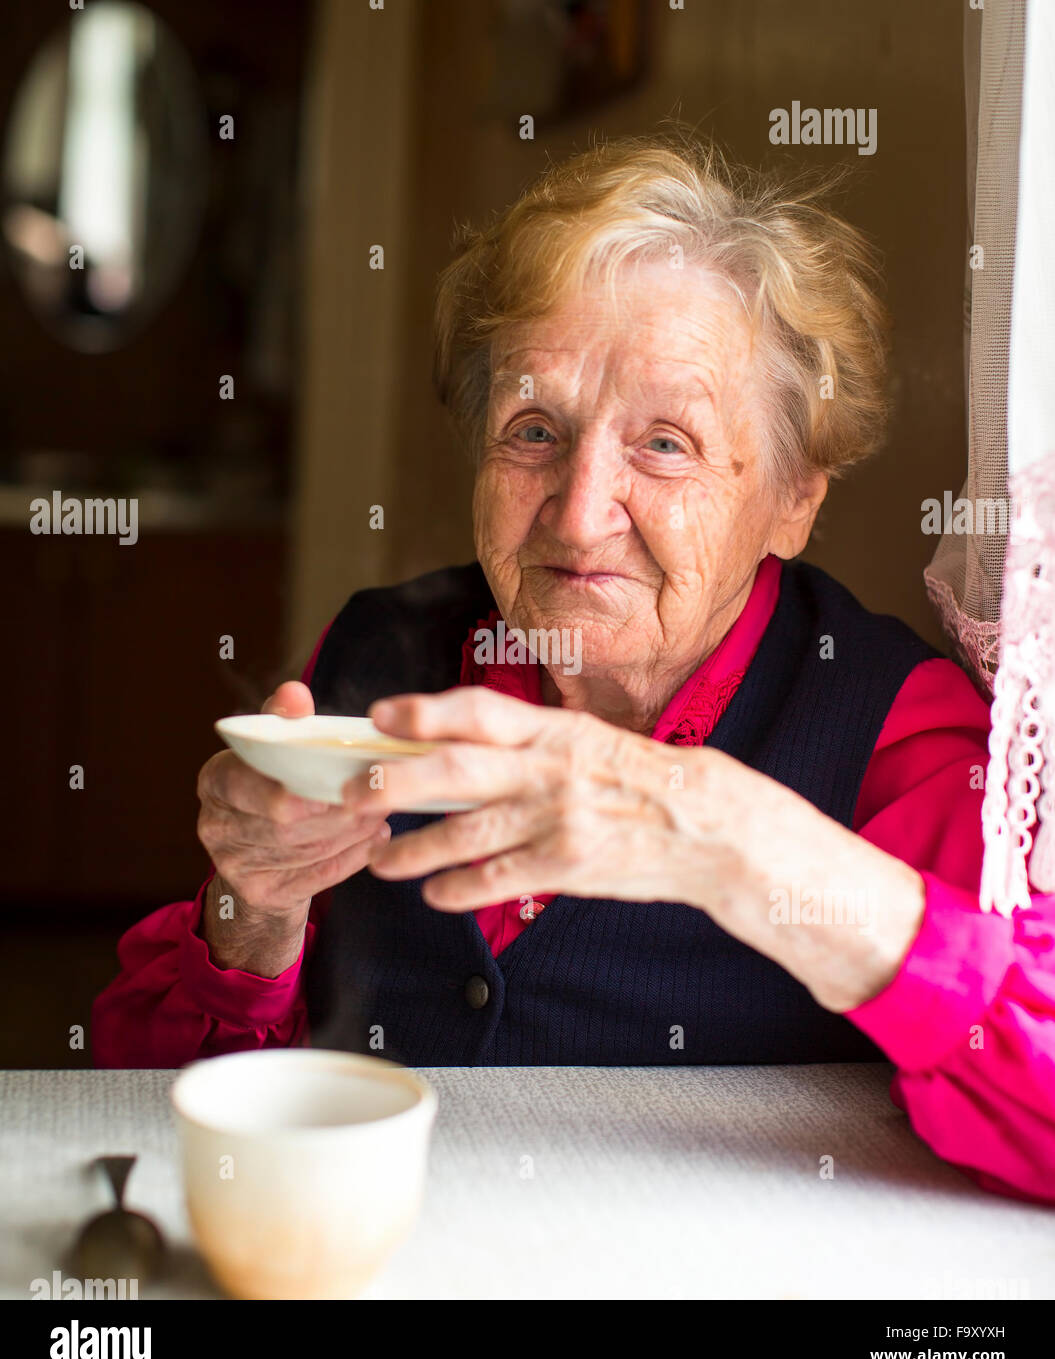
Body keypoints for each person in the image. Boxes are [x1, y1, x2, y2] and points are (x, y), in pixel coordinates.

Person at [94, 133, 1055, 1204]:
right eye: (534, 429)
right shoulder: (374, 661)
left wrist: (729, 838)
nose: (579, 508)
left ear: (794, 496)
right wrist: (253, 916)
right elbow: (141, 1113)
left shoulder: (897, 730)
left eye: (664, 444)